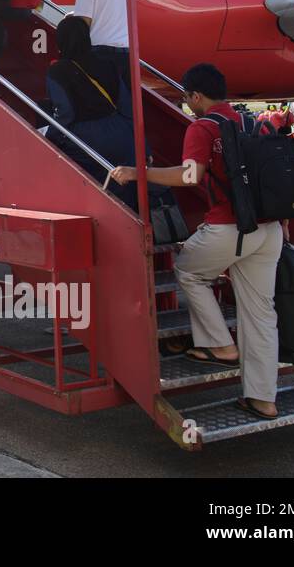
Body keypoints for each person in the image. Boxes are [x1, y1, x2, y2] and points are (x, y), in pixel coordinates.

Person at [109, 63, 283, 420]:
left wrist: (137, 173)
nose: (187, 105)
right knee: (261, 316)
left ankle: (220, 345)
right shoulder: (247, 121)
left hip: (229, 228)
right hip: (269, 231)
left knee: (187, 270)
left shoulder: (202, 127)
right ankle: (263, 399)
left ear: (196, 96)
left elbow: (191, 176)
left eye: (187, 98)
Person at [45, 16, 144, 208]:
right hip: (121, 134)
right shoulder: (108, 63)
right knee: (126, 192)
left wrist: (50, 139)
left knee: (98, 194)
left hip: (87, 139)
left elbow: (65, 113)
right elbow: (126, 104)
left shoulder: (58, 71)